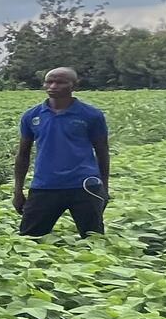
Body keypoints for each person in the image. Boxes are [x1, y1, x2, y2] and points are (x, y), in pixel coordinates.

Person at [14, 68, 109, 237]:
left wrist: (104, 188)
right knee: (29, 238)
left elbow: (102, 152)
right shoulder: (31, 116)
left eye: (60, 82)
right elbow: (23, 155)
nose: (53, 86)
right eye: (49, 82)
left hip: (85, 186)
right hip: (44, 186)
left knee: (93, 239)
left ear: (74, 85)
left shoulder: (91, 115)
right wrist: (18, 190)